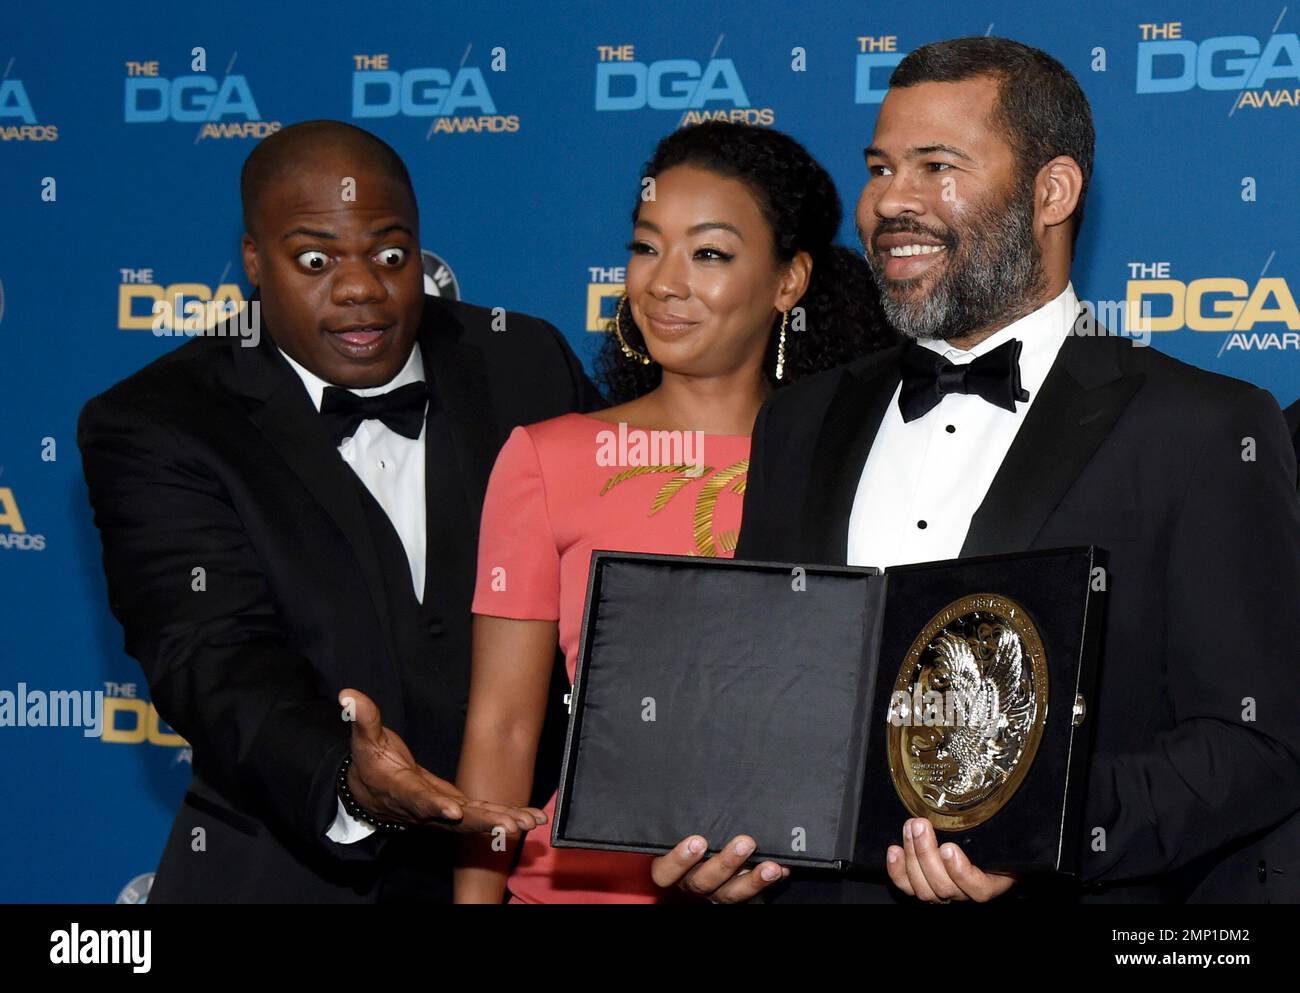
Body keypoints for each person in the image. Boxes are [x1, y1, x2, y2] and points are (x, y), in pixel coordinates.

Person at [653, 36, 1300, 904]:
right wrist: (720, 837)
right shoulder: (802, 421)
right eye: (881, 167)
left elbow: (1256, 741)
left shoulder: (1201, 429)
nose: (890, 202)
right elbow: (762, 696)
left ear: (1053, 192)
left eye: (936, 165)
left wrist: (1036, 828)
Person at [78, 120, 601, 903]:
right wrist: (348, 780)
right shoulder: (160, 420)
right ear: (254, 261)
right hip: (291, 875)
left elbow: (612, 596)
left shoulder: (523, 362)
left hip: (525, 875)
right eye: (315, 259)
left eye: (392, 254)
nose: (361, 287)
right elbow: (214, 657)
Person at [453, 121, 895, 903]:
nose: (664, 282)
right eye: (647, 246)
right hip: (579, 891)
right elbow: (502, 729)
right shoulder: (547, 459)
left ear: (789, 281)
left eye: (711, 253)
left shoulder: (861, 461)